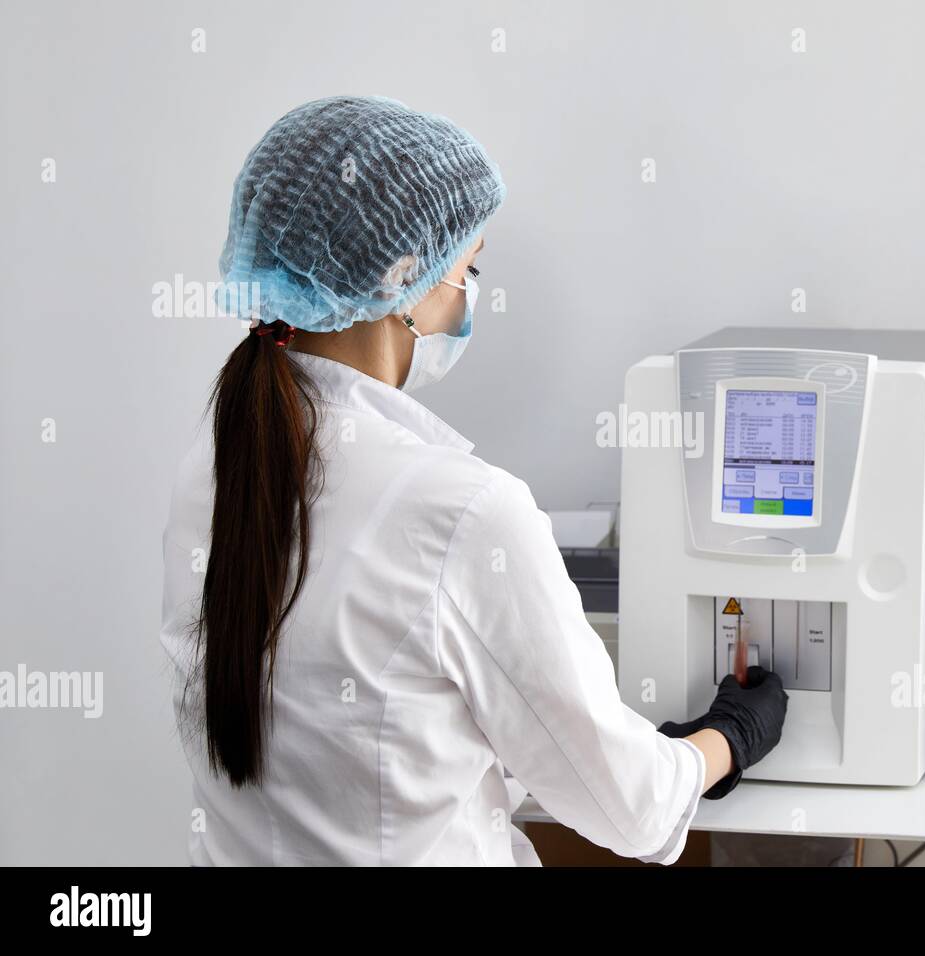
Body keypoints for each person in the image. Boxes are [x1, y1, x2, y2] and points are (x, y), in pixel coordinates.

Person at [160, 96, 787, 866]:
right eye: (469, 267)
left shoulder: (216, 461)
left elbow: (367, 741)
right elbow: (635, 813)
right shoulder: (459, 512)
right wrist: (728, 737)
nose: (468, 294)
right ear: (402, 280)